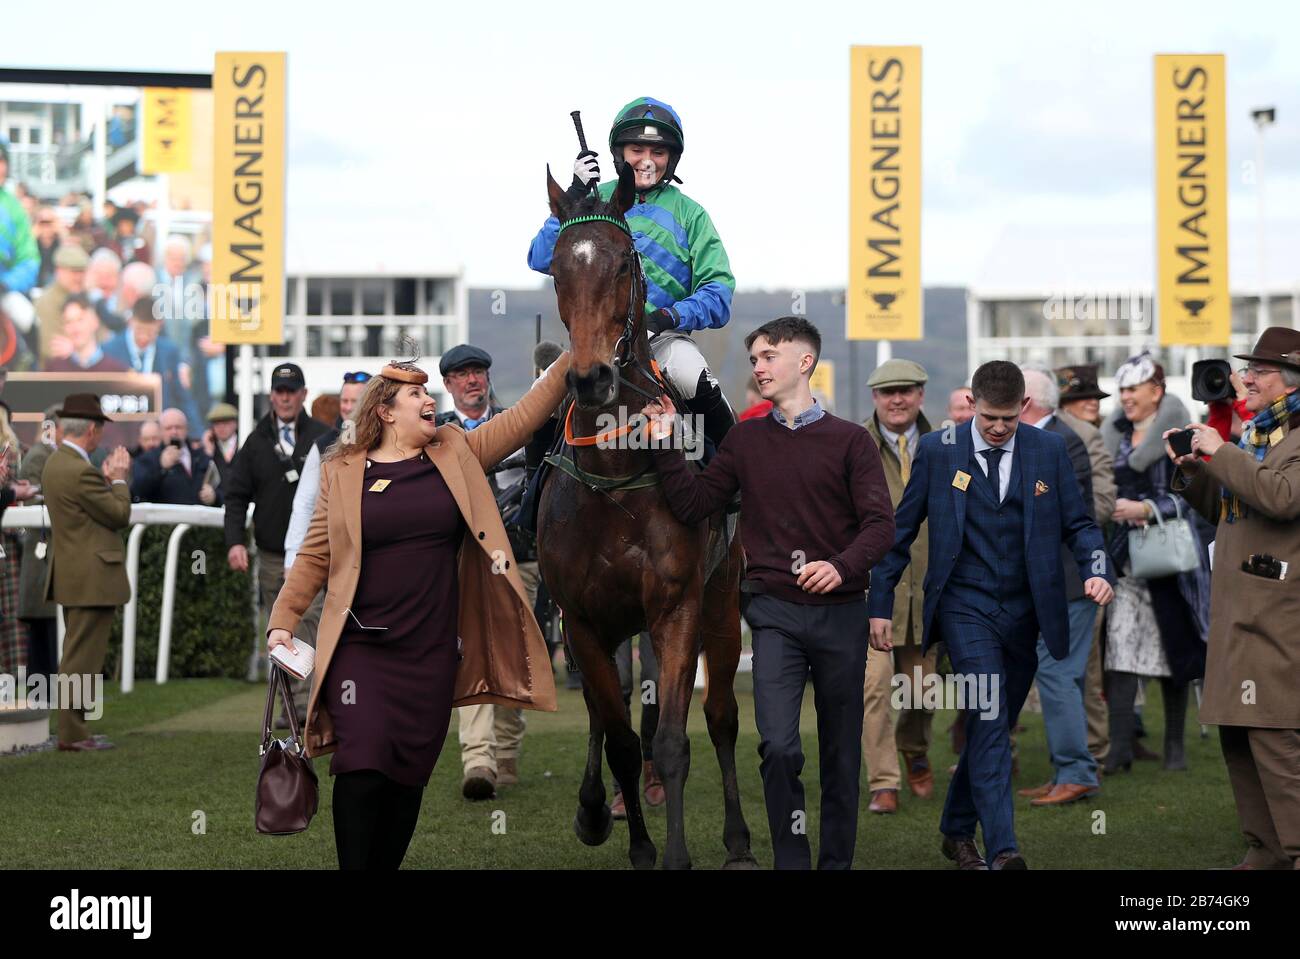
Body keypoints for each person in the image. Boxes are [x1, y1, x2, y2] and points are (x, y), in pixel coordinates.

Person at [266, 351, 573, 869]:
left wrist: (573, 354)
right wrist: (282, 621)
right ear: (386, 411)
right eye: (417, 395)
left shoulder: (456, 452)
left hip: (431, 652)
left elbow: (523, 418)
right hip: (360, 649)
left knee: (406, 778)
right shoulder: (343, 470)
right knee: (362, 766)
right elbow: (316, 552)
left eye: (428, 393)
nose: (430, 401)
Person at [643, 316, 896, 870]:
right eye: (754, 357)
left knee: (839, 752)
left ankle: (835, 863)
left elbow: (881, 526)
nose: (758, 366)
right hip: (774, 612)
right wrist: (665, 445)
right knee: (779, 747)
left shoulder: (851, 441)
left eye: (768, 356)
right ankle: (791, 862)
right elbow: (693, 504)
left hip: (841, 614)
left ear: (804, 362)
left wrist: (843, 566)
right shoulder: (744, 440)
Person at [867, 361, 1114, 870]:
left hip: (1028, 611)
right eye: (989, 418)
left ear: (1024, 407)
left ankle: (956, 831)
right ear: (971, 405)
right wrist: (879, 606)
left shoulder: (1047, 451)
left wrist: (1096, 568)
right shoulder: (938, 451)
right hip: (964, 607)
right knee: (987, 715)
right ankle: (1004, 850)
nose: (999, 428)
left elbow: (1081, 523)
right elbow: (900, 532)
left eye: (1008, 418)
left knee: (990, 728)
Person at [529, 97, 737, 452]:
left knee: (696, 380)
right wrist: (576, 192)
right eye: (636, 149)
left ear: (671, 158)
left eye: (657, 152)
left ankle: (736, 485)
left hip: (664, 339)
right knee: (538, 400)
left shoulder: (691, 214)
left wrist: (668, 315)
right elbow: (540, 257)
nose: (646, 160)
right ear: (619, 154)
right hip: (595, 339)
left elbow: (719, 292)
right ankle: (529, 498)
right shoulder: (592, 200)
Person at [1168, 327, 1300, 870]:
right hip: (1239, 608)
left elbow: (1282, 497)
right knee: (1239, 734)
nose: (1245, 378)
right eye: (1247, 369)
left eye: (1259, 372)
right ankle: (1264, 847)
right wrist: (1195, 470)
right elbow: (1229, 508)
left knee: (1275, 737)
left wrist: (1222, 450)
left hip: (1278, 612)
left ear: (1290, 384)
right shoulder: (1257, 437)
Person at [1099, 353, 1210, 774]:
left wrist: (1145, 508)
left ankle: (1175, 749)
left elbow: (1189, 494)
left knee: (1174, 650)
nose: (1125, 397)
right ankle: (1120, 749)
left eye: (1133, 389)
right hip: (1126, 559)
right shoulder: (1116, 435)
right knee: (1122, 649)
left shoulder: (1178, 434)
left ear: (1156, 391)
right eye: (1122, 389)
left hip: (1172, 560)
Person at [433, 345, 536, 799]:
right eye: (462, 374)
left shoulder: (519, 423)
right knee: (471, 652)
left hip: (520, 557)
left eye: (478, 371)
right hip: (462, 561)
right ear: (449, 384)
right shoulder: (433, 434)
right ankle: (478, 758)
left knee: (516, 655)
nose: (472, 380)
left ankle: (507, 750)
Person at [1014, 365, 1102, 806]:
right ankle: (1067, 771)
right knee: (1060, 675)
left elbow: (1059, 517)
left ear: (1026, 403)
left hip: (1068, 582)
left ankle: (1076, 772)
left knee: (1057, 673)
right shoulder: (1051, 438)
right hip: (1061, 581)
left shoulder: (1061, 442)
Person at [224, 363, 329, 718]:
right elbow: (235, 495)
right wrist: (234, 542)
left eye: (291, 391)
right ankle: (292, 703)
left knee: (310, 621)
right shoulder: (255, 442)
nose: (285, 398)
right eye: (280, 391)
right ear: (272, 395)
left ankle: (306, 703)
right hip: (271, 555)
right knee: (281, 626)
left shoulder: (322, 436)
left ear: (303, 394)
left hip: (312, 552)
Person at [859, 359, 938, 815]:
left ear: (920, 395)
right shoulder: (856, 445)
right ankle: (883, 781)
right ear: (875, 398)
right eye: (888, 392)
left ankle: (914, 748)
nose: (897, 399)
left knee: (924, 691)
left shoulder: (944, 445)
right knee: (875, 688)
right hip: (876, 595)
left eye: (906, 390)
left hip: (929, 592)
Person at [41, 394, 132, 751]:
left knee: (77, 655)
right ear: (92, 430)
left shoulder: (58, 464)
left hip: (75, 572)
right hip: (91, 575)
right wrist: (120, 480)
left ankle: (73, 730)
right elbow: (118, 514)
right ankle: (74, 734)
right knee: (82, 659)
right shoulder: (79, 470)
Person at [1054, 364, 1117, 765]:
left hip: (1080, 565)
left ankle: (1094, 749)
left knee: (1085, 665)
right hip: (1056, 567)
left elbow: (1102, 505)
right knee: (1065, 667)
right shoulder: (1051, 433)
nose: (1090, 404)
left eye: (1094, 397)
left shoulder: (1087, 437)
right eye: (1080, 399)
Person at [285, 371, 369, 569]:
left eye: (354, 401)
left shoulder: (390, 440)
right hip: (335, 556)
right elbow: (304, 503)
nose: (348, 408)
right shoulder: (324, 445)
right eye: (344, 400)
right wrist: (292, 557)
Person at [102, 296, 201, 426]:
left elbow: (181, 396)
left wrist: (197, 434)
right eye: (139, 330)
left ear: (159, 324)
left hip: (158, 429)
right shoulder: (109, 350)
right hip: (122, 428)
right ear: (131, 322)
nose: (144, 337)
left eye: (150, 332)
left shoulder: (169, 351)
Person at [18, 404, 59, 684]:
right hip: (41, 556)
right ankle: (42, 700)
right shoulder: (38, 456)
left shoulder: (55, 455)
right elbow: (31, 500)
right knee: (43, 637)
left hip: (52, 558)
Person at [130, 407, 218, 506]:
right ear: (160, 432)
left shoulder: (201, 457)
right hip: (165, 519)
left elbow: (223, 488)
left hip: (198, 518)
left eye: (178, 427)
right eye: (169, 428)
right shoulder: (147, 459)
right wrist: (161, 467)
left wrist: (214, 496)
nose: (174, 432)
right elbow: (138, 492)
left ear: (186, 429)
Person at [42, 295, 128, 373]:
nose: (75, 328)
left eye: (80, 320)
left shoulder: (116, 371)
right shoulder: (54, 370)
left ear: (95, 322)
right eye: (68, 322)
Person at [34, 244, 88, 363]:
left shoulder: (86, 297)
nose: (79, 277)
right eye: (74, 272)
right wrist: (82, 349)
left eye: (82, 271)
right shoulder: (48, 301)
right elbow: (53, 349)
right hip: (57, 375)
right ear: (59, 271)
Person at [0, 141, 39, 297]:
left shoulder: (13, 207)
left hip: (4, 292)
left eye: (2, 161)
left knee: (28, 318)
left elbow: (29, 260)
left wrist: (5, 284)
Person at [1056, 364, 1108, 428]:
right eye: (1085, 397)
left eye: (1097, 397)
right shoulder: (1054, 436)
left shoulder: (1111, 430)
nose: (1094, 402)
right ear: (1064, 404)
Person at [202, 402, 239, 485]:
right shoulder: (209, 447)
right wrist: (208, 453)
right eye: (217, 424)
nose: (221, 427)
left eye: (226, 423)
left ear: (236, 424)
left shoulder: (244, 444)